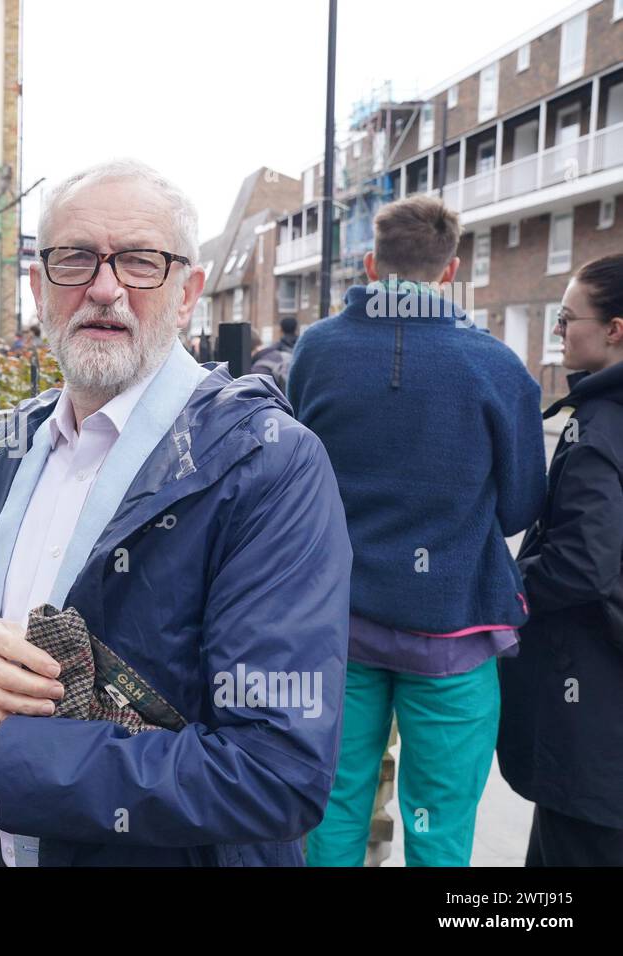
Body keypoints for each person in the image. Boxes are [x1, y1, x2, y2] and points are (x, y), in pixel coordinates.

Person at [0, 158, 353, 867]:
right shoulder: (15, 447)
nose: (105, 287)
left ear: (188, 293)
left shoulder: (270, 467)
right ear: (38, 287)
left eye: (141, 262)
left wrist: (6, 762)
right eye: (75, 259)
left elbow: (275, 774)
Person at [288, 195, 547, 866]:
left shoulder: (315, 351)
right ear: (451, 270)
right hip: (453, 629)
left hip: (338, 625)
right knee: (439, 824)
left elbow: (293, 477)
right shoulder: (495, 366)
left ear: (371, 264)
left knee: (334, 806)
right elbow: (521, 508)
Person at [497, 253, 623, 866]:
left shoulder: (599, 430)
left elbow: (581, 564)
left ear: (615, 329)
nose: (557, 331)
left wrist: (504, 589)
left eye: (568, 318)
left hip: (592, 708)